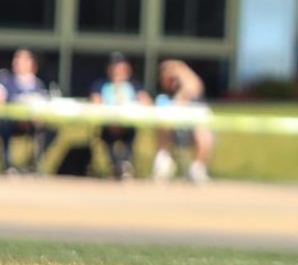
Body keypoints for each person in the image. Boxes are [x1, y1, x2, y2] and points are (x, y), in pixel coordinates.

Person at [0, 49, 59, 174]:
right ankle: (7, 164)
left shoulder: (37, 84)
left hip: (31, 122)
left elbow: (41, 105)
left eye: (21, 60)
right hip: (11, 120)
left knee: (51, 130)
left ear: (31, 64)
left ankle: (33, 163)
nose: (16, 62)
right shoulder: (5, 78)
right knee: (4, 125)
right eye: (16, 59)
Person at [90, 52, 152, 180]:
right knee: (107, 135)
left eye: (121, 68)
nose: (118, 71)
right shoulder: (101, 85)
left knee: (129, 134)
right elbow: (96, 102)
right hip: (108, 123)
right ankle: (115, 166)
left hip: (128, 124)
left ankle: (125, 164)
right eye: (115, 68)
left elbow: (147, 102)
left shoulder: (134, 86)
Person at [152, 59, 213, 184]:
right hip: (172, 132)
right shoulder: (162, 98)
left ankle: (197, 169)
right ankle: (163, 163)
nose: (173, 81)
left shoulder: (191, 95)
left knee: (203, 131)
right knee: (163, 125)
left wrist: (181, 68)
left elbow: (195, 85)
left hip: (190, 131)